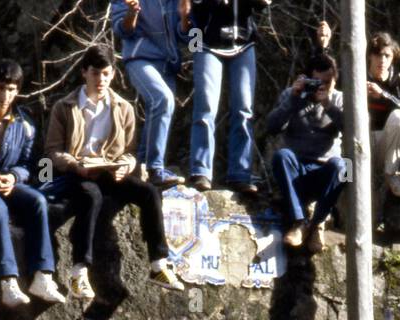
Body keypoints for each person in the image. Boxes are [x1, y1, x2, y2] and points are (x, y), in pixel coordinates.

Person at [41, 44, 185, 299]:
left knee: (149, 192)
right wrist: (75, 164)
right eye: (95, 73)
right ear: (84, 72)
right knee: (91, 197)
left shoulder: (123, 108)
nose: (101, 80)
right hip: (77, 172)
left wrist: (125, 166)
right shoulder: (65, 107)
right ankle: (79, 272)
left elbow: (130, 151)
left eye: (106, 74)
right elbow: (52, 151)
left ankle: (158, 264)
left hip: (109, 171)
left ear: (113, 75)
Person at [0, 60, 66, 308]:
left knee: (38, 200)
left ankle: (42, 275)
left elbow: (29, 163)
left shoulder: (25, 123)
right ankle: (7, 280)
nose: (5, 95)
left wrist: (13, 177)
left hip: (6, 180)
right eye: (1, 88)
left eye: (11, 89)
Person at [180, 0, 271, 194]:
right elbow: (191, 9)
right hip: (204, 41)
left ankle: (241, 174)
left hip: (244, 42)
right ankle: (200, 171)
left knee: (244, 108)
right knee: (206, 106)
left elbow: (264, 4)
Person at [266, 52, 346, 254]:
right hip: (297, 169)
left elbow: (352, 130)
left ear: (335, 81)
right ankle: (299, 221)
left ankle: (317, 223)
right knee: (281, 156)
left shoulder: (340, 99)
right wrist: (293, 98)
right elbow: (272, 126)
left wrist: (328, 105)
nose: (321, 87)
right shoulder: (293, 95)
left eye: (327, 82)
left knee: (346, 168)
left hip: (325, 170)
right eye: (317, 82)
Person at [112, 0, 186, 188]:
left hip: (169, 64)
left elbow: (188, 36)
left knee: (160, 110)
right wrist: (132, 12)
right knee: (163, 99)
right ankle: (156, 169)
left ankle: (141, 170)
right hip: (139, 58)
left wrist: (186, 17)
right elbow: (122, 30)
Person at [364, 32, 400, 199]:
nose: (382, 60)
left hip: (385, 144)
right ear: (370, 56)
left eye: (387, 56)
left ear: (393, 58)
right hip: (358, 142)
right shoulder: (355, 77)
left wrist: (384, 96)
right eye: (377, 54)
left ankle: (391, 174)